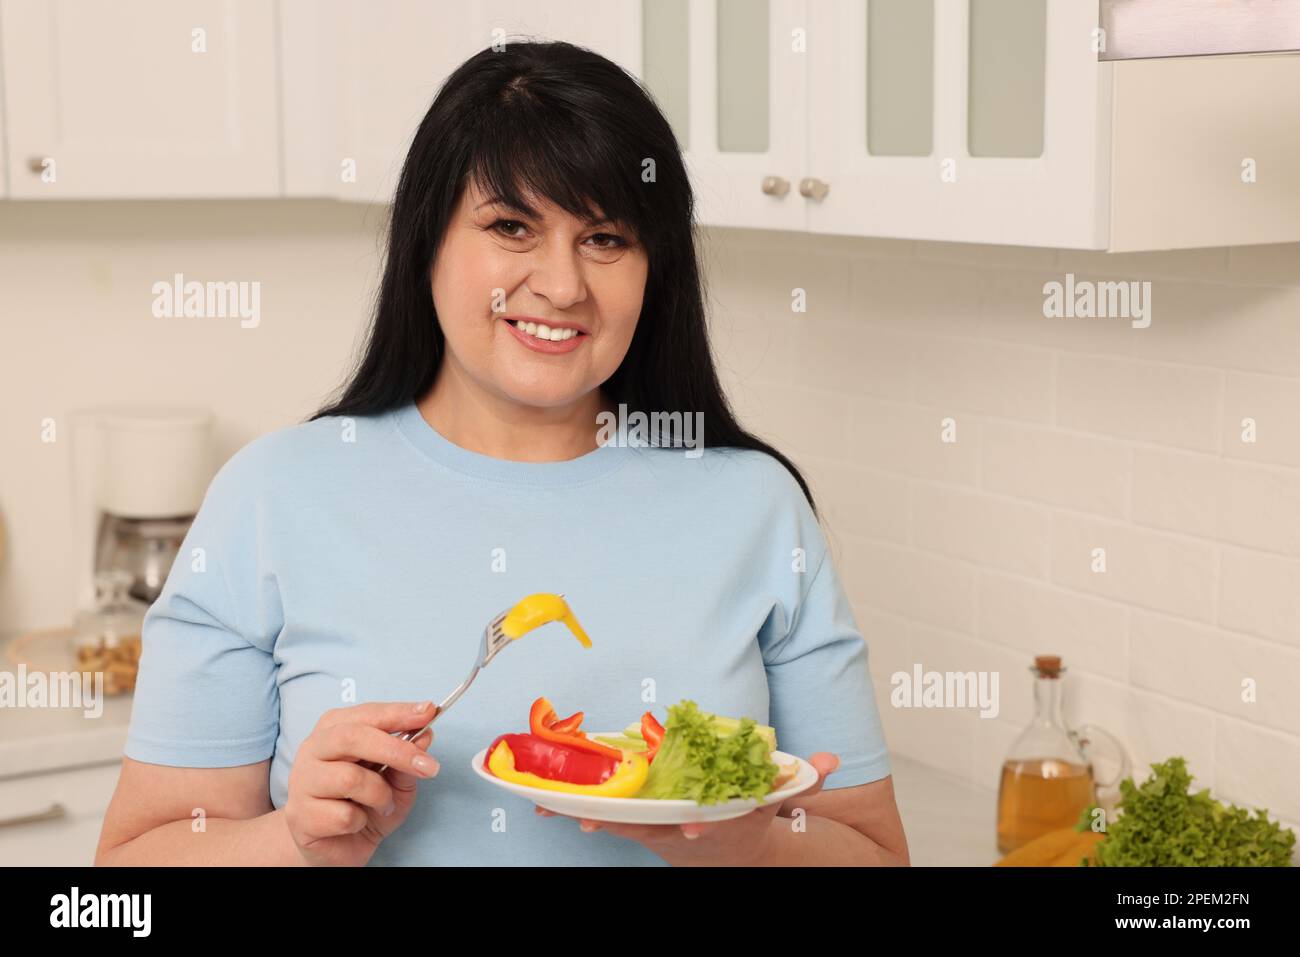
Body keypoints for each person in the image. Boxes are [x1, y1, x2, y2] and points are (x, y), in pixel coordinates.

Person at [96, 39, 908, 866]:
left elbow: (875, 852)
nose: (562, 285)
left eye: (606, 238)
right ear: (426, 241)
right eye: (512, 226)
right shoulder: (272, 496)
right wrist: (295, 840)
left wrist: (750, 846)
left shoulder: (757, 506)